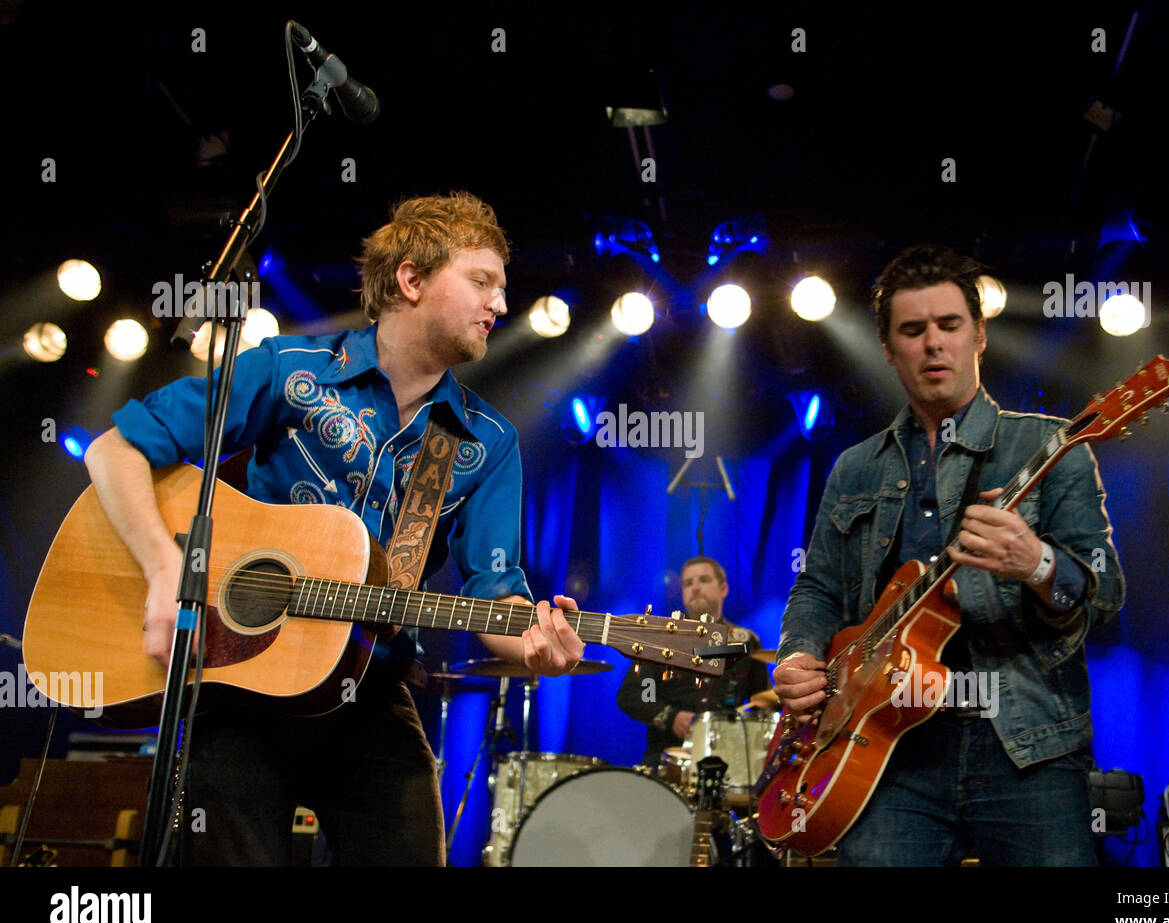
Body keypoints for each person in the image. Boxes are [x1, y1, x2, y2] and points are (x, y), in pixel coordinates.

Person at [82, 192, 585, 865]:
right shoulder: (289, 371)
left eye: (501, 288)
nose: (500, 305)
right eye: (482, 281)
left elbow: (495, 594)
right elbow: (114, 450)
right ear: (410, 279)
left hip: (371, 694)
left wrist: (535, 649)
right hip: (241, 687)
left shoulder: (484, 441)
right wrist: (164, 568)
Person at [774, 244, 1124, 866]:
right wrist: (799, 653)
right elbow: (818, 588)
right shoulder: (854, 468)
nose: (933, 344)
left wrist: (1037, 563)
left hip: (1027, 743)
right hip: (884, 745)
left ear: (979, 335)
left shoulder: (1050, 445)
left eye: (949, 325)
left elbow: (1105, 592)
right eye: (913, 330)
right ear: (888, 346)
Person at [617, 556, 771, 767]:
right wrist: (672, 718)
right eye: (688, 583)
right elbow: (633, 695)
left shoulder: (745, 641)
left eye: (704, 580)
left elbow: (762, 701)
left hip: (727, 759)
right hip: (667, 758)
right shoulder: (660, 640)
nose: (695, 587)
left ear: (723, 589)